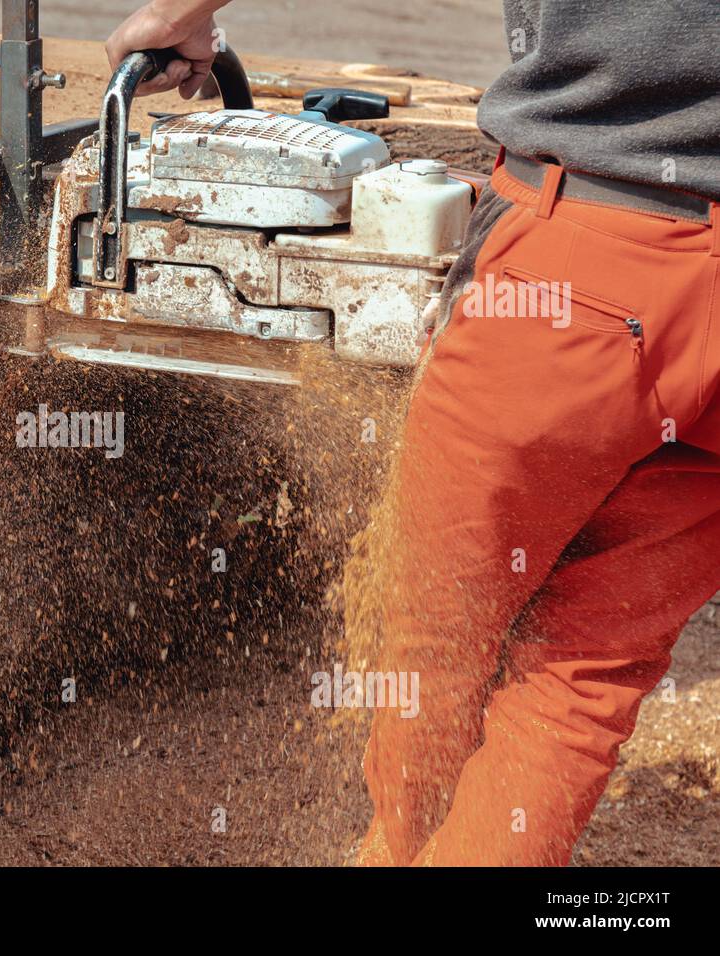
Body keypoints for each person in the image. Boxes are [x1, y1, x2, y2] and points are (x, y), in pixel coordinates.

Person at [108, 0, 720, 865]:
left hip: (585, 252)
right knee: (586, 678)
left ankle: (398, 851)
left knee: (436, 637)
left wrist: (182, 13)